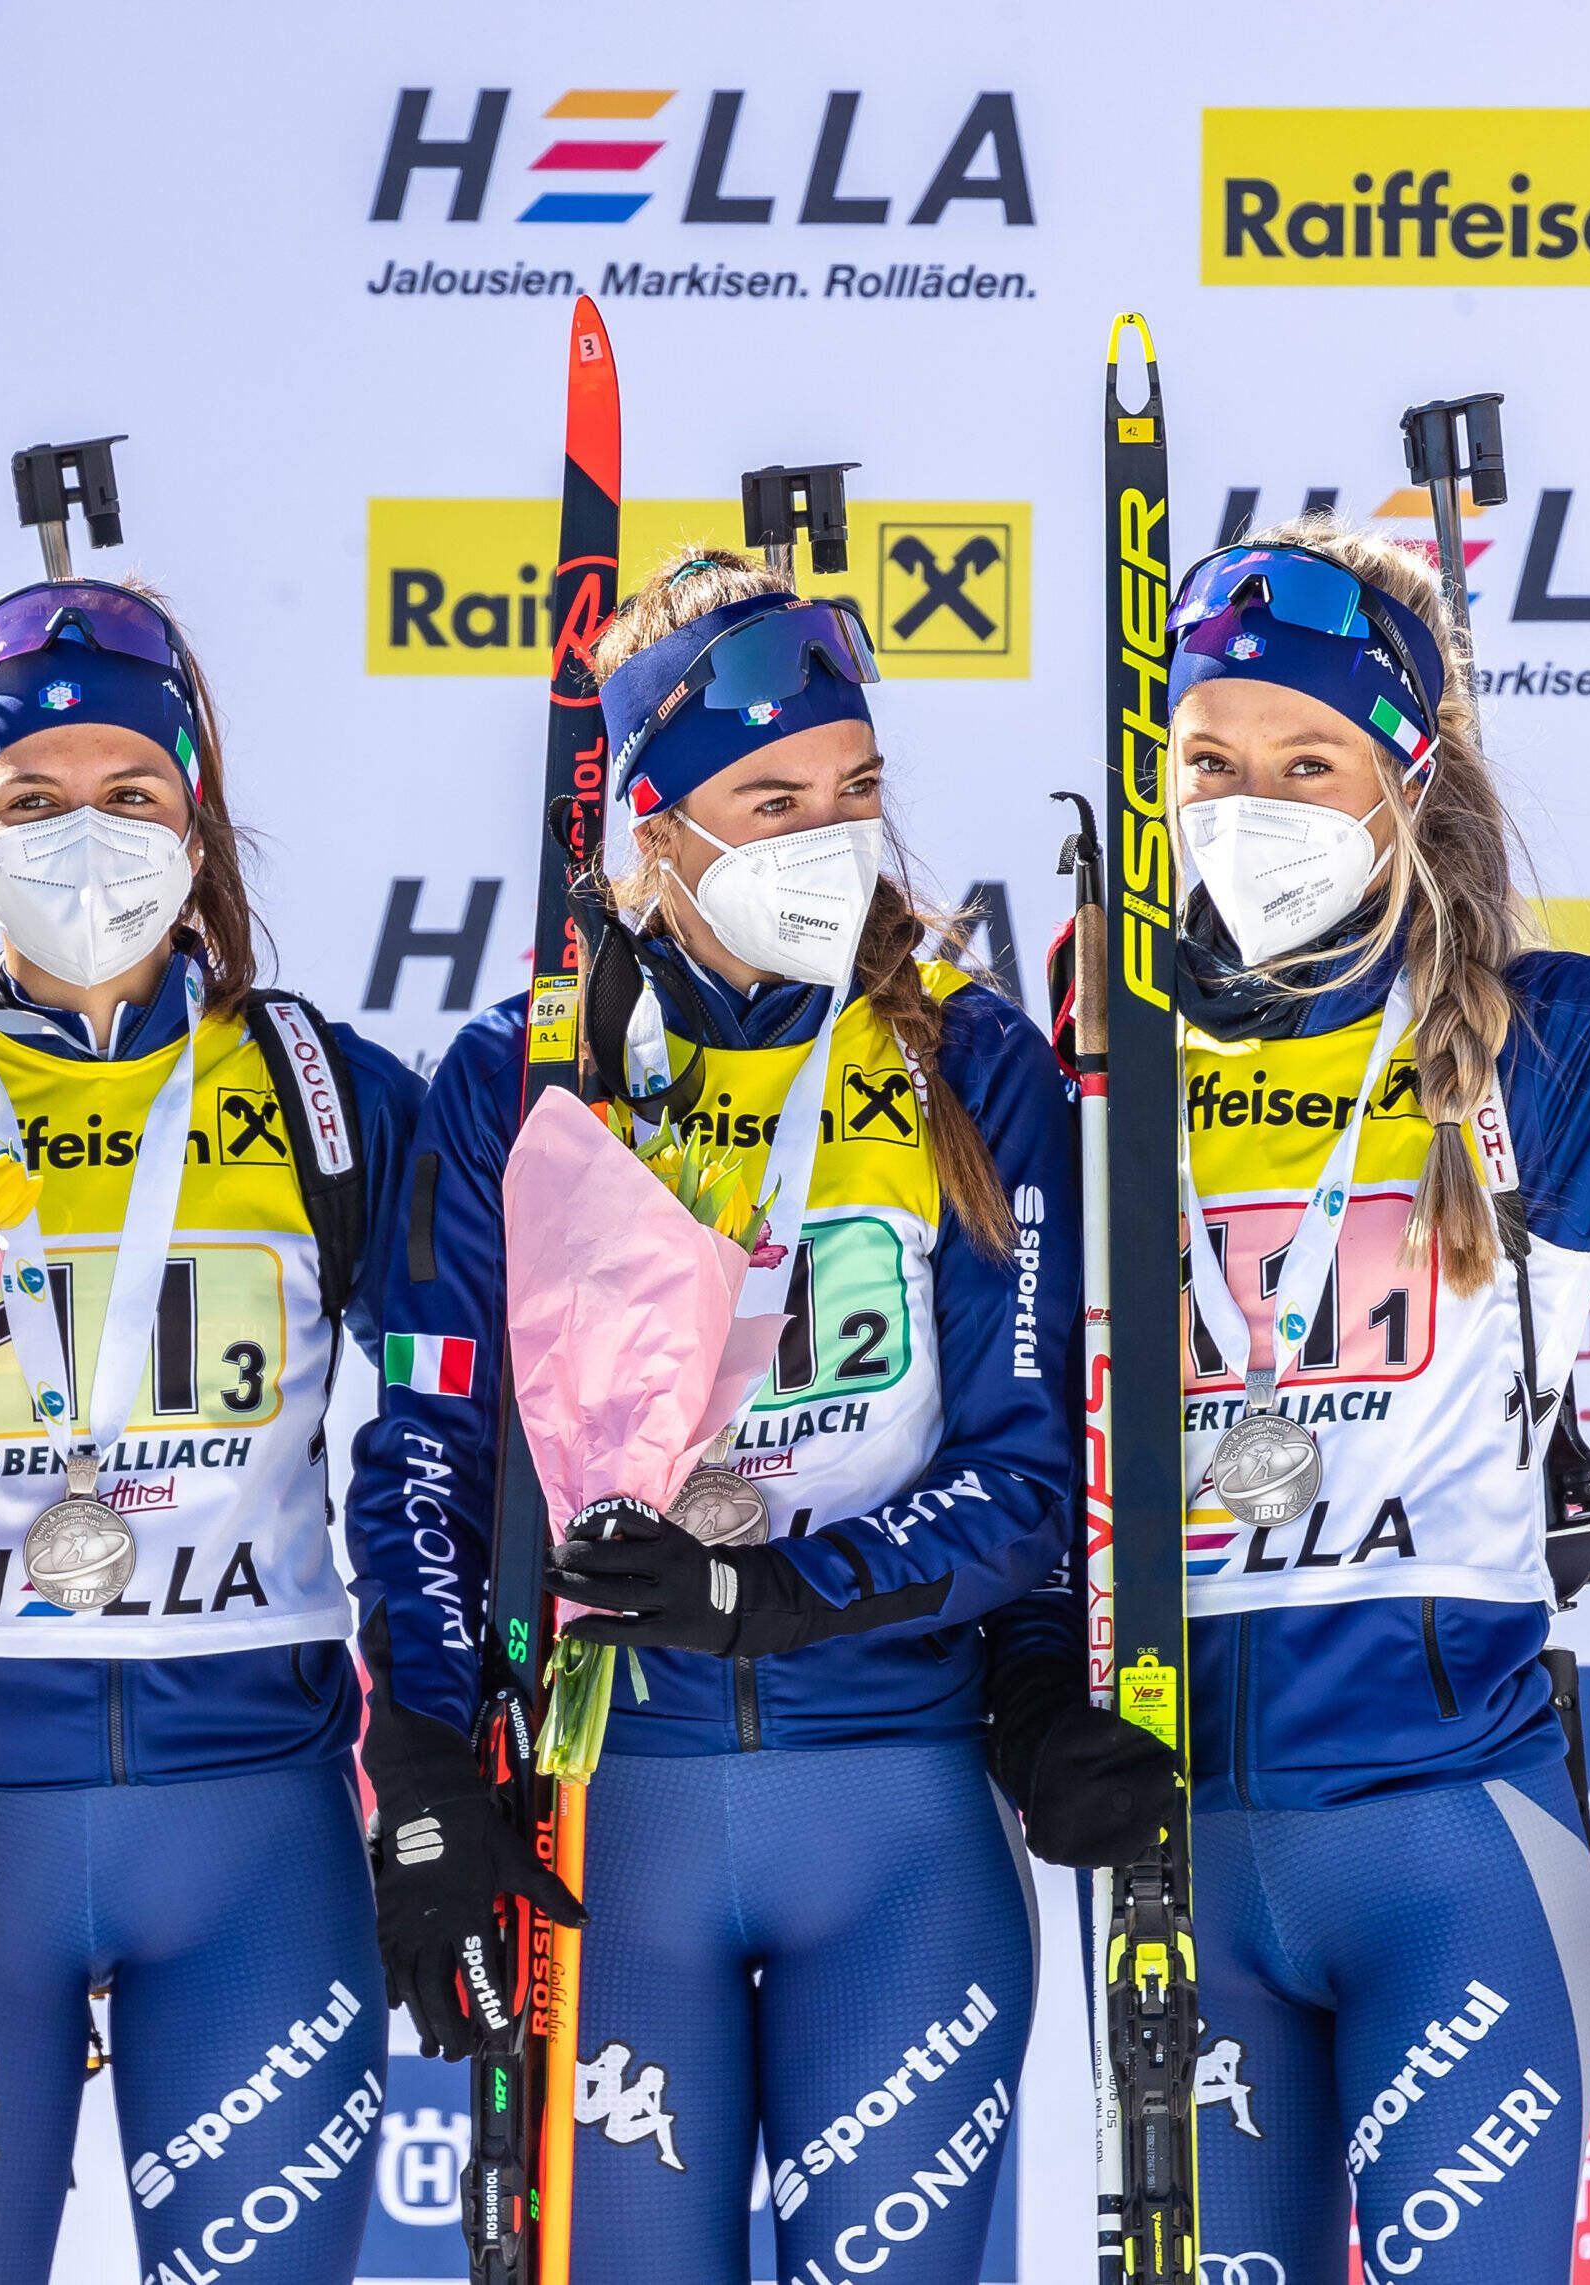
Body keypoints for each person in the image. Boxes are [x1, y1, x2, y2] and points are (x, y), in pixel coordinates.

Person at [997, 473, 1590, 2283]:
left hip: (1453, 1849)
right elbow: (1023, 1454)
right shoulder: (1095, 1073)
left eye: (1310, 762)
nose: (1256, 805)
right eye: (1212, 761)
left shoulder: (1530, 1052)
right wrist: (1035, 1708)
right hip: (1183, 1861)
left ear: (1403, 778)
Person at [342, 551, 1092, 2283]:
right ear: (654, 824)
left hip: (898, 1812)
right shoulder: (519, 1077)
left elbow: (1029, 1477)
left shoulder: (969, 1062)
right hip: (613, 1819)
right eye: (773, 800)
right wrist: (431, 1766)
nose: (833, 836)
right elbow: (427, 1465)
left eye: (856, 787)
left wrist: (772, 1593)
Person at [0, 574, 422, 2285]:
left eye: (130, 791)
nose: (87, 836)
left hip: (254, 1825)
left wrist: (439, 1759)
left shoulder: (324, 1096)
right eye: (33, 800)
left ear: (195, 821)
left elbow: (455, 1444)